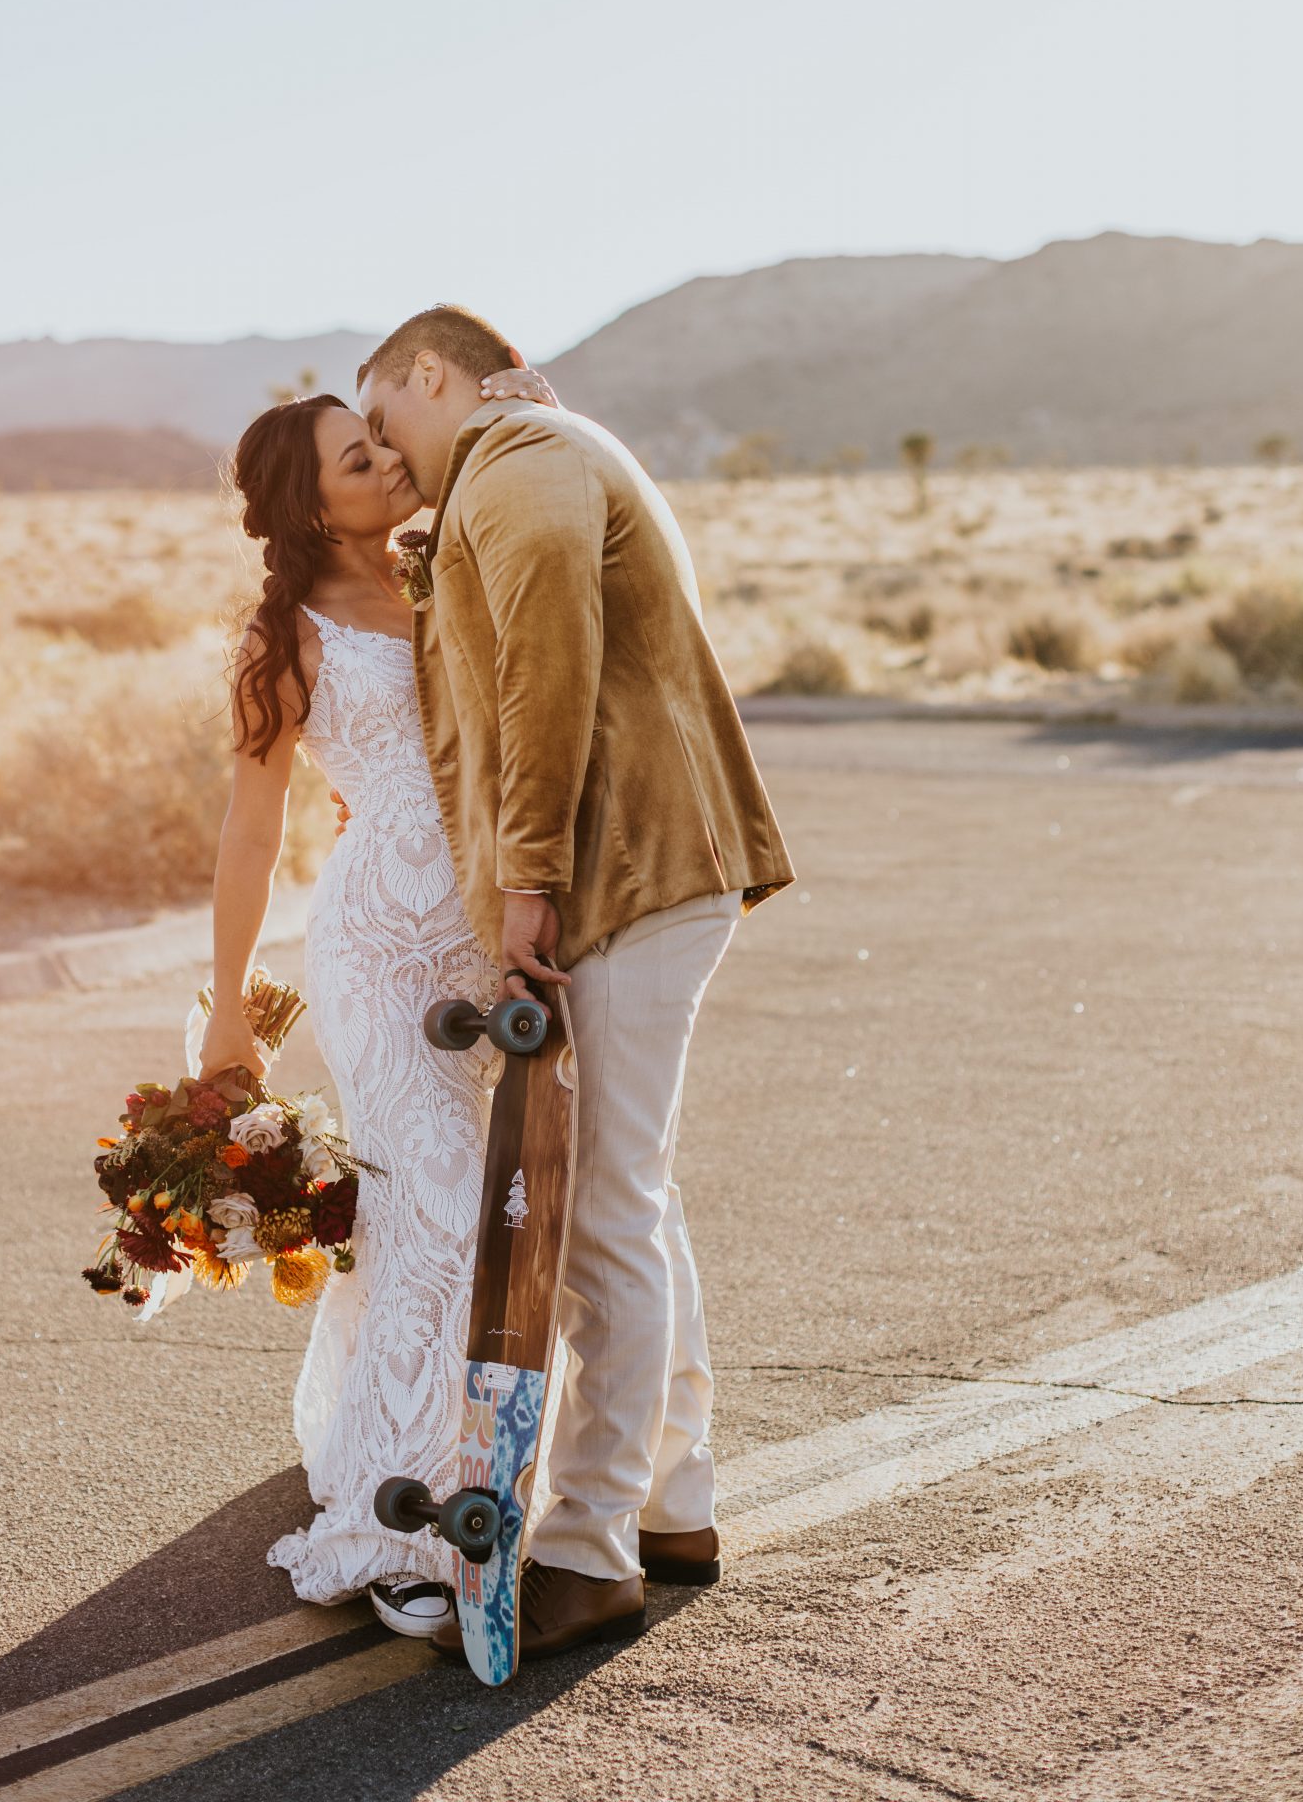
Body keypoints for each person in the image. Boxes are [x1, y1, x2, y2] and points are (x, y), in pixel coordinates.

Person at [358, 303, 793, 1662]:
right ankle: (673, 1500)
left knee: (602, 1211)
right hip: (642, 872)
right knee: (630, 1200)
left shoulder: (522, 455)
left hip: (623, 871)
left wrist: (528, 878)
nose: (387, 455)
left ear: (436, 376)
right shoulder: (518, 463)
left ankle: (590, 1546)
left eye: (386, 422)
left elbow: (547, 678)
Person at [193, 370, 550, 1638]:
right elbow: (251, 830)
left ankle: (440, 1455)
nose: (388, 466)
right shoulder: (291, 632)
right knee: (439, 1199)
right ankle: (400, 1527)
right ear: (313, 505)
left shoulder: (443, 571)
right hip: (377, 950)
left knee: (442, 1209)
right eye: (358, 461)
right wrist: (230, 1007)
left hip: (483, 942)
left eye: (382, 446)